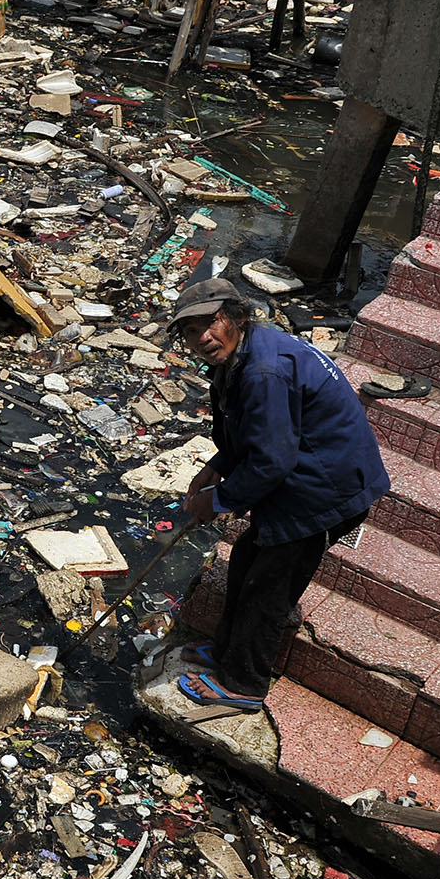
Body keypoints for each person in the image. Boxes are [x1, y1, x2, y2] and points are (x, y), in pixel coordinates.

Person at [168, 277, 390, 711]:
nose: (203, 339)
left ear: (234, 317)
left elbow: (271, 462)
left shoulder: (264, 370)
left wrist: (214, 502)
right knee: (248, 559)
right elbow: (246, 431)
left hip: (323, 487)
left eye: (210, 324)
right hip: (303, 472)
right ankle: (230, 651)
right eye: (191, 332)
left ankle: (244, 685)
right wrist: (218, 467)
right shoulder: (243, 354)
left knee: (268, 585)